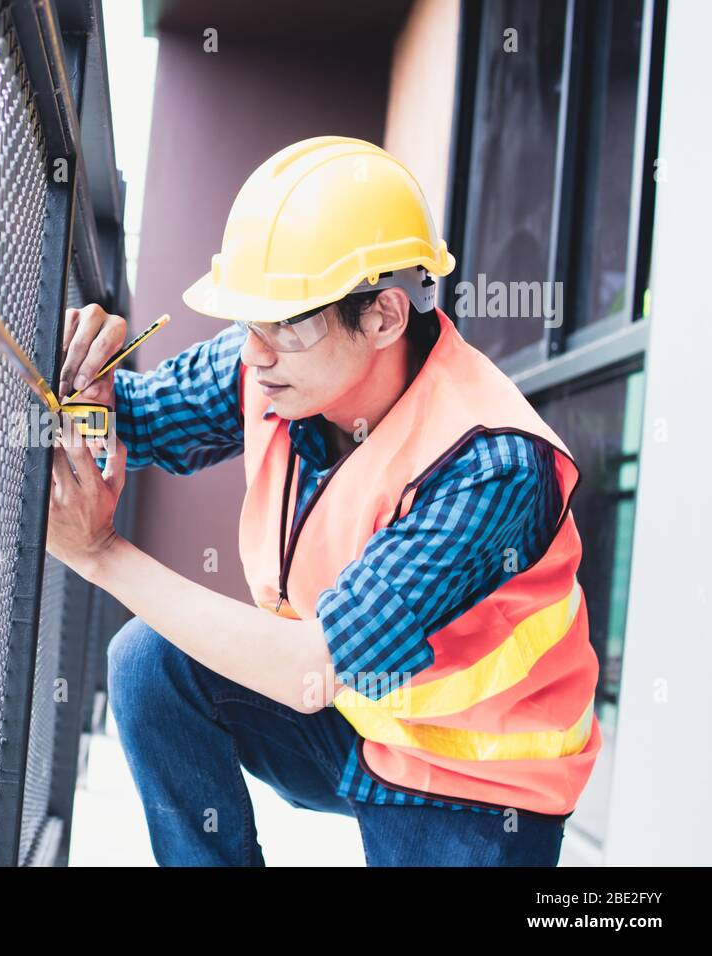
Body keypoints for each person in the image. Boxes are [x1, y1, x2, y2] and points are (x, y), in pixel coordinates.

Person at [44, 136, 600, 867]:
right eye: (248, 320)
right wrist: (83, 387)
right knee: (150, 663)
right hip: (354, 727)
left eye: (285, 322)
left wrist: (100, 554)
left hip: (478, 788)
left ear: (384, 316)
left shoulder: (491, 466)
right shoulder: (277, 365)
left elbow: (310, 670)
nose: (252, 352)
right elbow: (136, 418)